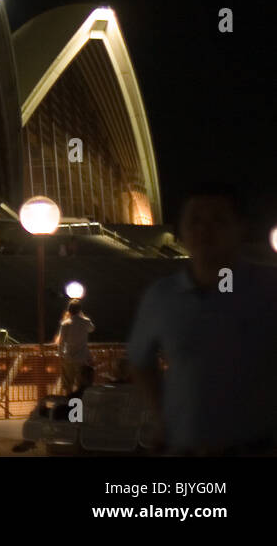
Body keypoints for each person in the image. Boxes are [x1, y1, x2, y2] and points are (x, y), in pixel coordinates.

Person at [127, 183, 277, 455]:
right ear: (180, 231)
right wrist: (162, 417)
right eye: (195, 220)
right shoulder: (161, 297)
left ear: (240, 228)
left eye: (218, 220)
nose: (204, 230)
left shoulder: (268, 289)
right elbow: (139, 361)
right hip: (184, 448)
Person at [54, 299, 94, 394]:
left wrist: (60, 355)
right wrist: (82, 316)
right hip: (82, 358)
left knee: (68, 384)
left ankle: (70, 404)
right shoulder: (86, 322)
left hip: (68, 357)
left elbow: (61, 342)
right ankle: (80, 405)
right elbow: (91, 329)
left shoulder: (65, 324)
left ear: (69, 310)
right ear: (79, 310)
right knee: (81, 384)